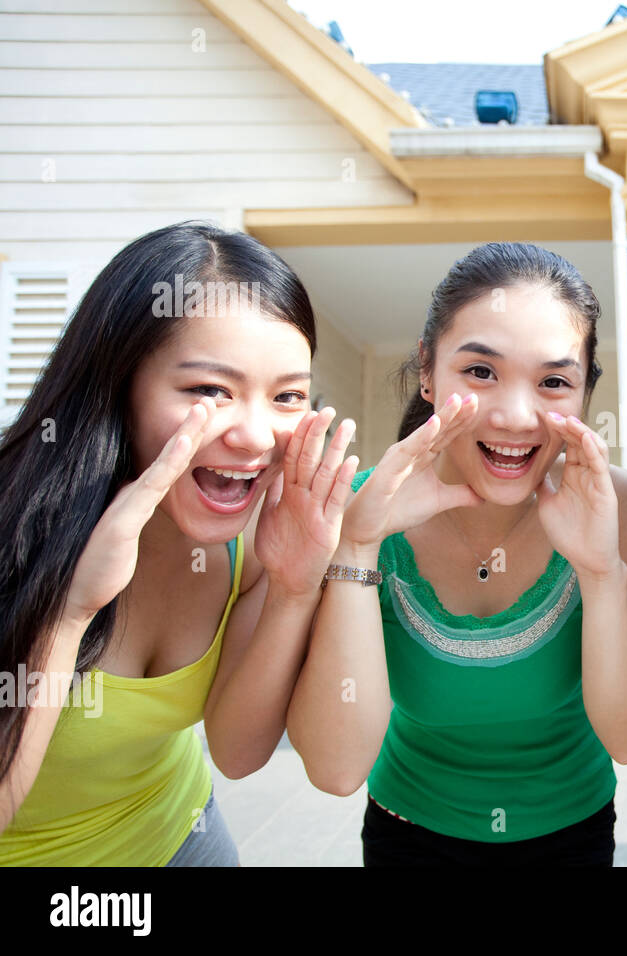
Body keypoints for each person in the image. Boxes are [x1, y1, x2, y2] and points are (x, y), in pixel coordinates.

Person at [287, 242, 627, 866]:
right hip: (409, 829)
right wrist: (358, 546)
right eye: (481, 372)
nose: (516, 416)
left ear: (585, 394)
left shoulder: (613, 505)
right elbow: (335, 769)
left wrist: (599, 573)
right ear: (428, 372)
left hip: (574, 832)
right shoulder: (355, 509)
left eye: (554, 382)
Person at [0, 222, 357, 866]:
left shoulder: (253, 544)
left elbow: (237, 753)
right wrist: (71, 609)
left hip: (181, 839)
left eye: (287, 396)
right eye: (210, 390)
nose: (254, 435)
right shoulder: (10, 523)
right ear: (119, 388)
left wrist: (293, 587)